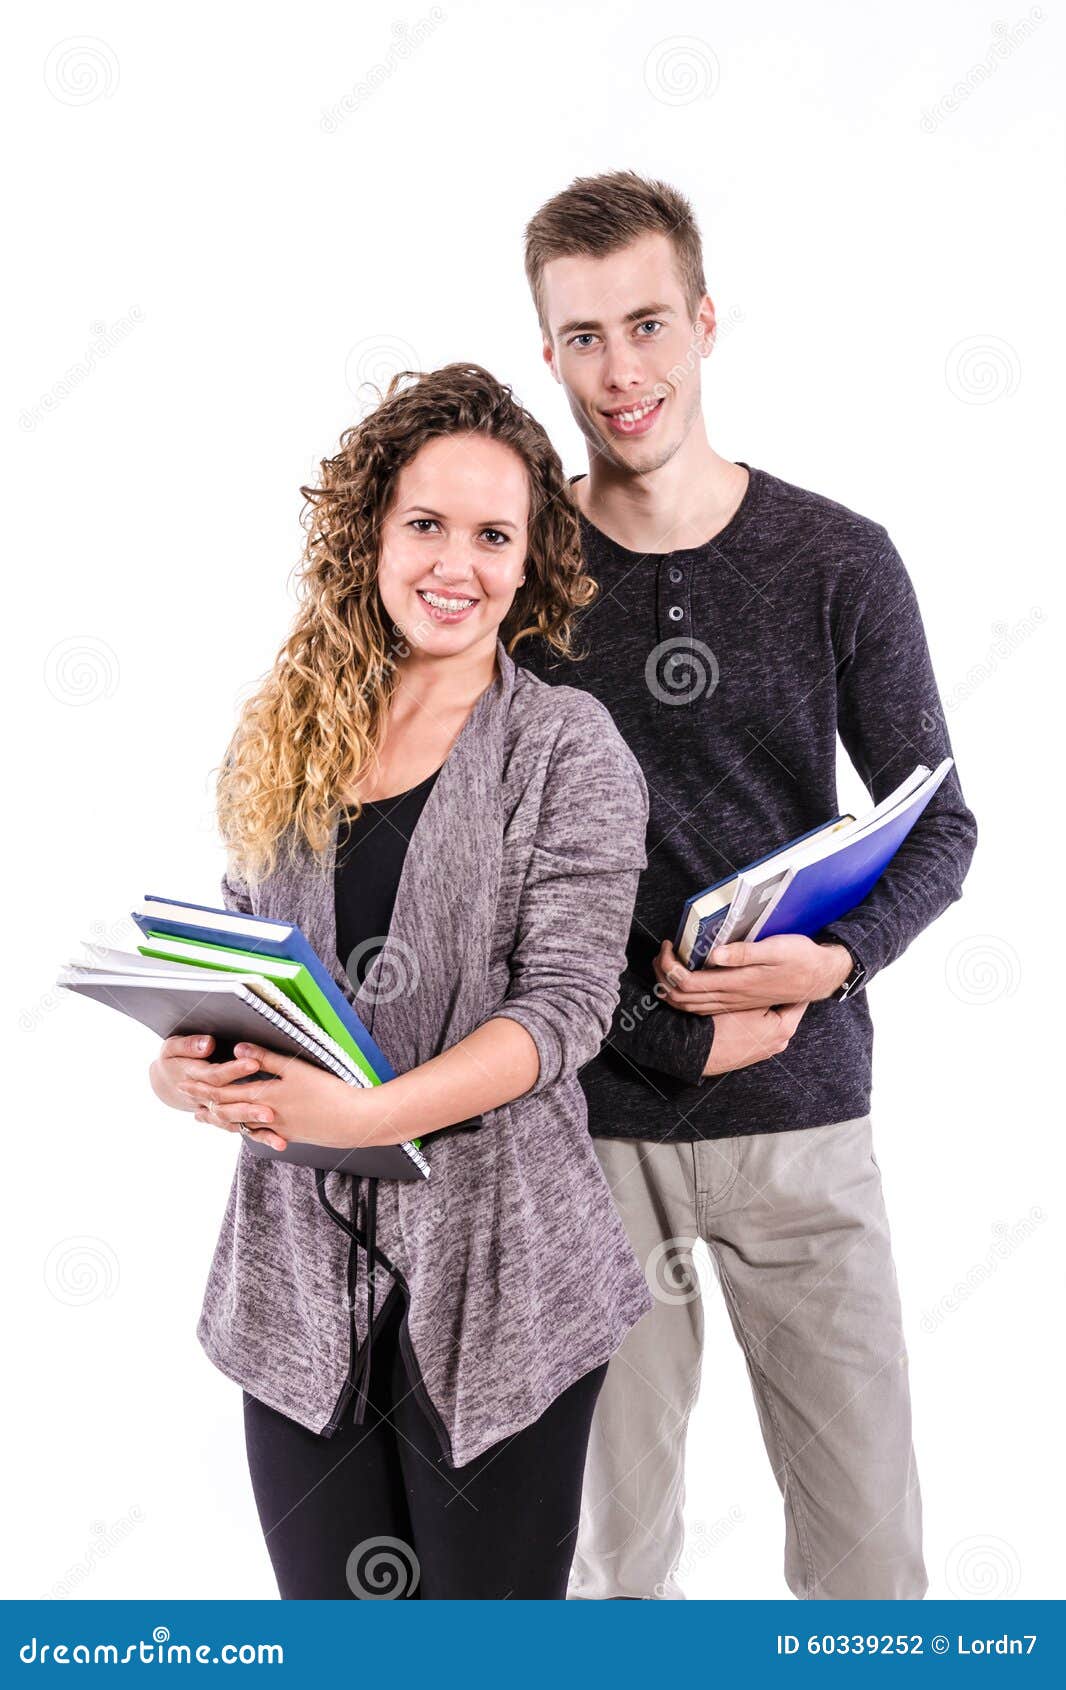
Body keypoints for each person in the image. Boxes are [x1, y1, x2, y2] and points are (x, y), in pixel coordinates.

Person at [517, 171, 978, 1601]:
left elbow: (941, 825)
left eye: (646, 322)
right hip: (588, 1131)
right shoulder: (521, 575)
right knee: (604, 1571)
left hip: (802, 1110)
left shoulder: (836, 559)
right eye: (582, 335)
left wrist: (834, 960)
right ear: (547, 354)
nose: (621, 369)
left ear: (704, 322)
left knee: (866, 1564)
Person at [146, 363, 655, 1600]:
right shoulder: (290, 726)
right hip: (294, 1275)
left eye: (493, 535)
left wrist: (371, 1114)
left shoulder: (563, 746)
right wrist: (185, 1064)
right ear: (374, 530)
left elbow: (565, 1009)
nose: (455, 564)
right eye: (426, 524)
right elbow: (242, 956)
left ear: (528, 561)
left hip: (505, 1277)